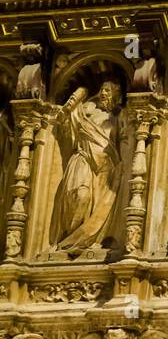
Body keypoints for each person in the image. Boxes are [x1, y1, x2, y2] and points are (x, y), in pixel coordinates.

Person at [51, 81, 123, 252]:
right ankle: (69, 237)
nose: (104, 93)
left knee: (93, 201)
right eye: (102, 89)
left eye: (108, 90)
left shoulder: (118, 117)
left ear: (115, 95)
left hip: (104, 166)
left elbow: (121, 143)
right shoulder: (89, 109)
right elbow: (69, 119)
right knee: (77, 194)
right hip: (82, 158)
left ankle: (83, 239)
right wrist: (74, 101)